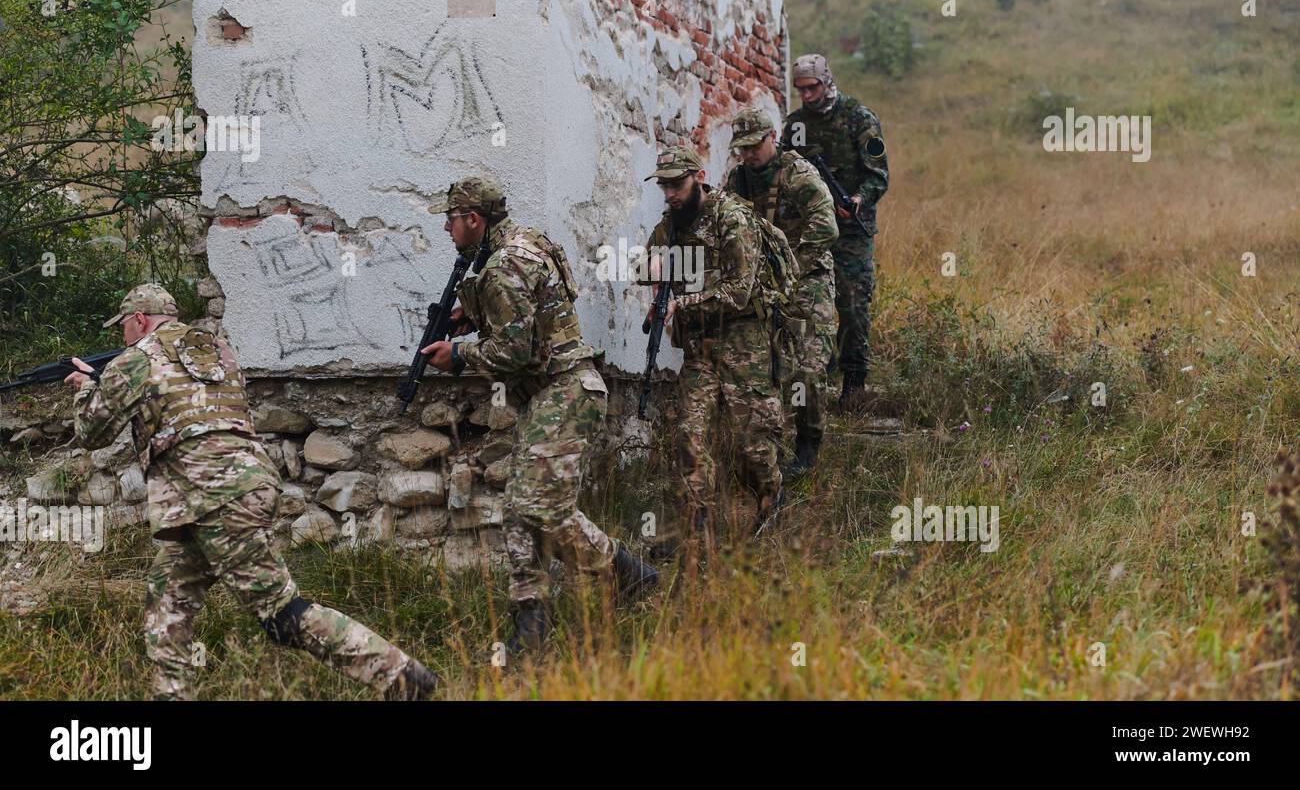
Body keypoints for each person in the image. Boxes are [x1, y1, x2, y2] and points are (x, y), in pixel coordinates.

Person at [67, 284, 438, 700]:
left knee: (279, 613)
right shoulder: (217, 351)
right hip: (232, 487)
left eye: (123, 327)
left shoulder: (134, 360)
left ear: (138, 320)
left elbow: (92, 432)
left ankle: (400, 677)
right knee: (168, 597)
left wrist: (86, 387)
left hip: (212, 495)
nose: (123, 336)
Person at [421, 177, 657, 654]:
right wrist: (477, 318)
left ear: (474, 219)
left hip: (565, 390)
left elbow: (519, 350)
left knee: (541, 509)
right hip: (552, 394)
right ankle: (531, 625)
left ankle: (624, 570)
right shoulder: (521, 246)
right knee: (519, 512)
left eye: (451, 218)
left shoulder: (504, 264)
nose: (447, 228)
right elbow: (535, 315)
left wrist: (460, 355)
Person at [640, 146, 784, 550]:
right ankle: (695, 532)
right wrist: (654, 274)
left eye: (677, 184)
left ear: (698, 177)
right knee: (690, 435)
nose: (670, 194)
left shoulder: (732, 218)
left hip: (743, 343)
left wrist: (680, 302)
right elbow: (646, 263)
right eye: (664, 186)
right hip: (700, 349)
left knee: (752, 441)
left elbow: (739, 292)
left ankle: (772, 500)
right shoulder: (670, 225)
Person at [724, 106, 838, 481]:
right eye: (741, 148)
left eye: (754, 146)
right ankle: (763, 445)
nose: (748, 155)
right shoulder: (738, 180)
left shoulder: (798, 173)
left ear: (772, 137)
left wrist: (790, 269)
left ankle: (808, 443)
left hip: (809, 281)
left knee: (807, 369)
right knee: (763, 368)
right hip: (763, 286)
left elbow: (826, 226)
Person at [780, 54, 889, 409]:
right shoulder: (795, 125)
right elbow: (784, 171)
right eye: (801, 90)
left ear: (827, 82)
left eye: (812, 88)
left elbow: (878, 174)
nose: (807, 96)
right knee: (809, 304)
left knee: (853, 304)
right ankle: (814, 373)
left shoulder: (861, 119)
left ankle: (854, 383)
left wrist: (859, 197)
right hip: (810, 231)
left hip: (851, 231)